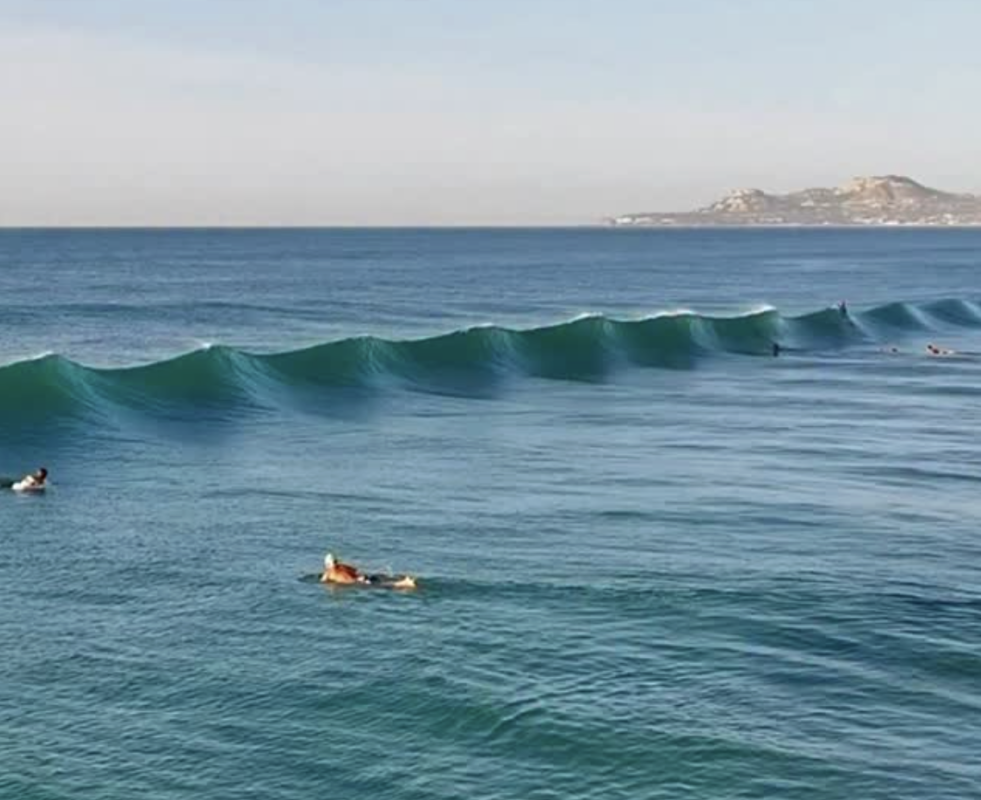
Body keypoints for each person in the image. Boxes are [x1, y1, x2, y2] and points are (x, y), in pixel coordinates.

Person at [320, 552, 416, 589]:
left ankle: (404, 583)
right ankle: (402, 580)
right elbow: (355, 570)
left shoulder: (328, 573)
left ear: (328, 564)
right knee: (381, 580)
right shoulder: (342, 566)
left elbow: (323, 581)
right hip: (362, 577)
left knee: (382, 586)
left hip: (357, 583)